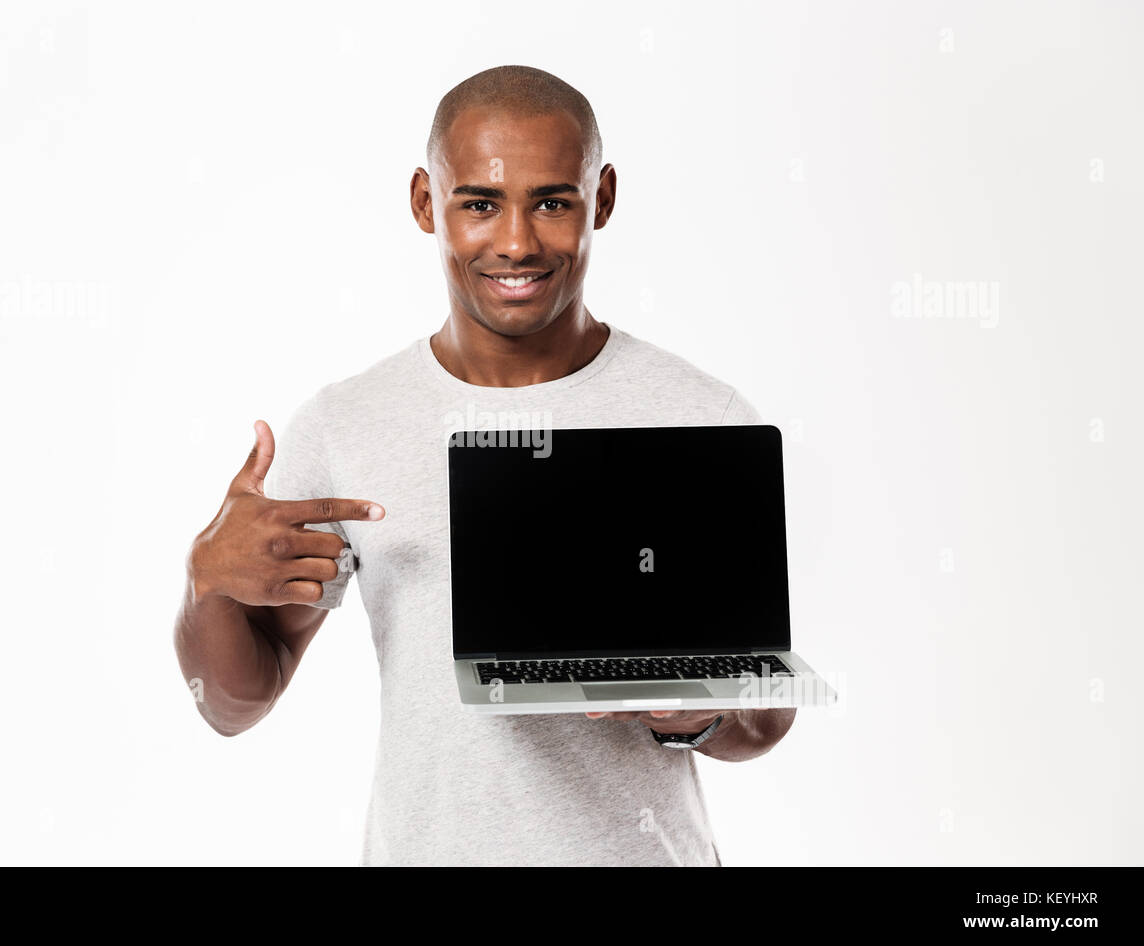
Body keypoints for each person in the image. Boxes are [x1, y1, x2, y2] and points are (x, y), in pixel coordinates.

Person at [174, 64, 795, 865]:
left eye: (552, 202)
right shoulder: (347, 424)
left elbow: (767, 715)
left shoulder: (699, 415)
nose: (516, 242)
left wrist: (691, 711)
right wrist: (207, 582)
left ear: (600, 199)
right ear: (426, 203)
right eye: (479, 203)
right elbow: (235, 704)